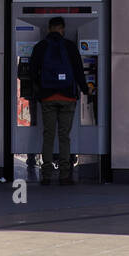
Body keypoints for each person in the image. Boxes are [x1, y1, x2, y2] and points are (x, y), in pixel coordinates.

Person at [29, 16, 90, 185]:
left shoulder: (40, 47)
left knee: (48, 135)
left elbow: (32, 72)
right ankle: (65, 174)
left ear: (49, 29)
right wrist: (85, 89)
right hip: (67, 97)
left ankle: (46, 174)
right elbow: (78, 71)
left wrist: (38, 93)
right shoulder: (69, 46)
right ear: (62, 29)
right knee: (64, 136)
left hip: (47, 97)